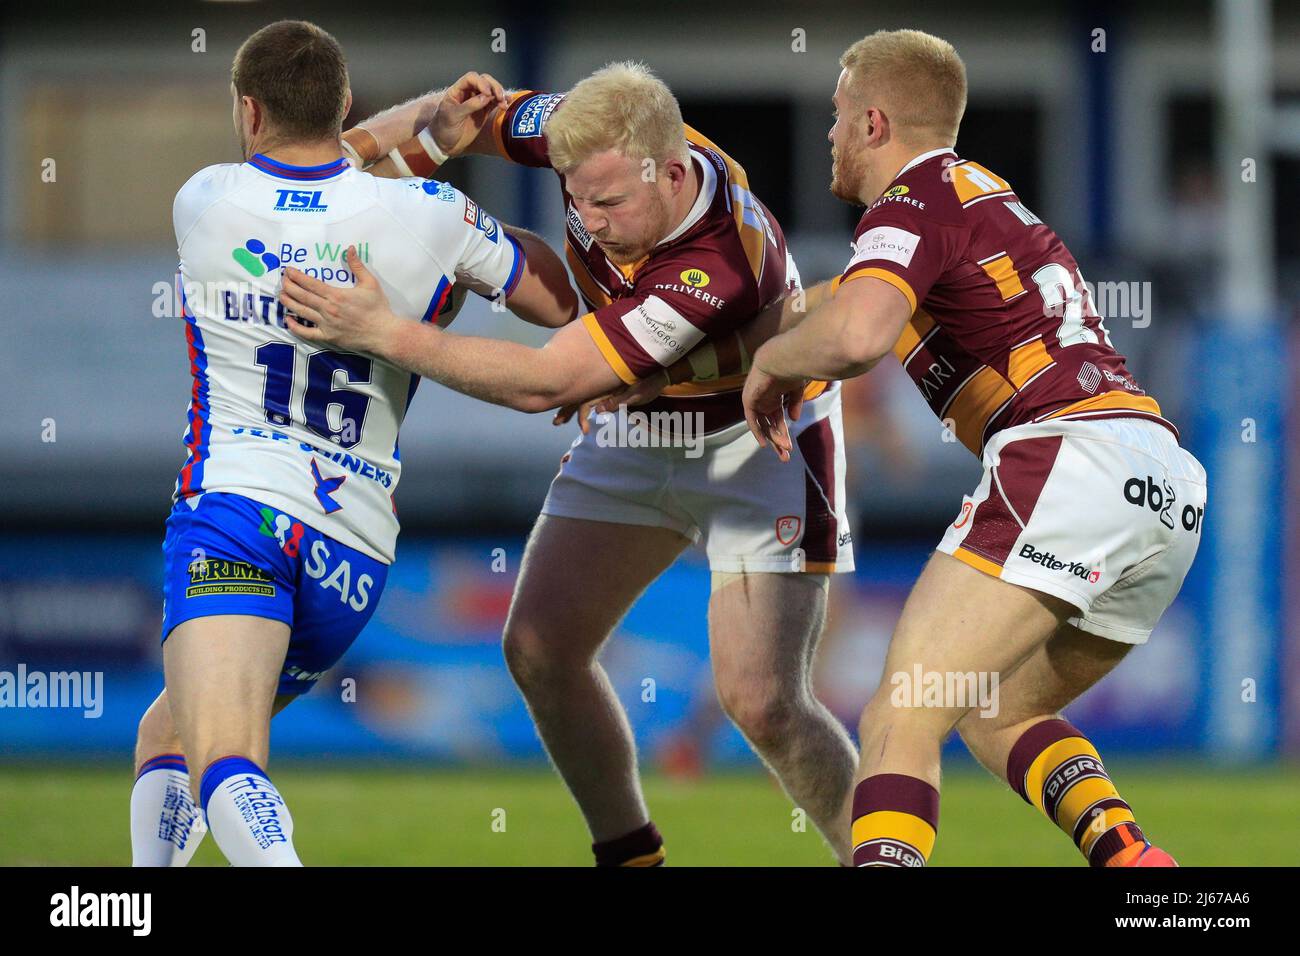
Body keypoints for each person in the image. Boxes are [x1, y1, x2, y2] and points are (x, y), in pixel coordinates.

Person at [280, 61, 860, 865]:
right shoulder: (586, 131)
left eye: (610, 202)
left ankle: (880, 861)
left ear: (671, 169)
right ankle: (632, 857)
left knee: (763, 704)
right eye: (574, 196)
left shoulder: (718, 264)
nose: (589, 219)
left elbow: (546, 385)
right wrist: (345, 157)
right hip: (637, 425)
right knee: (540, 650)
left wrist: (384, 333)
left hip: (758, 442)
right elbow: (468, 113)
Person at [740, 29, 1206, 867]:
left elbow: (855, 335)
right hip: (1162, 483)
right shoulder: (967, 198)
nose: (830, 136)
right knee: (995, 713)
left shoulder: (911, 202)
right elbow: (830, 305)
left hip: (1069, 455)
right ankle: (1141, 867)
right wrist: (686, 342)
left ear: (875, 123)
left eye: (840, 116)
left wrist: (771, 366)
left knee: (900, 715)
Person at [131, 20, 575, 866]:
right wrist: (464, 191)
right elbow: (554, 304)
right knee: (173, 725)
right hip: (352, 551)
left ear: (248, 111)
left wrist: (425, 133)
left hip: (238, 513)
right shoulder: (433, 219)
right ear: (339, 102)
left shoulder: (206, 199)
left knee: (223, 755)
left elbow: (327, 174)